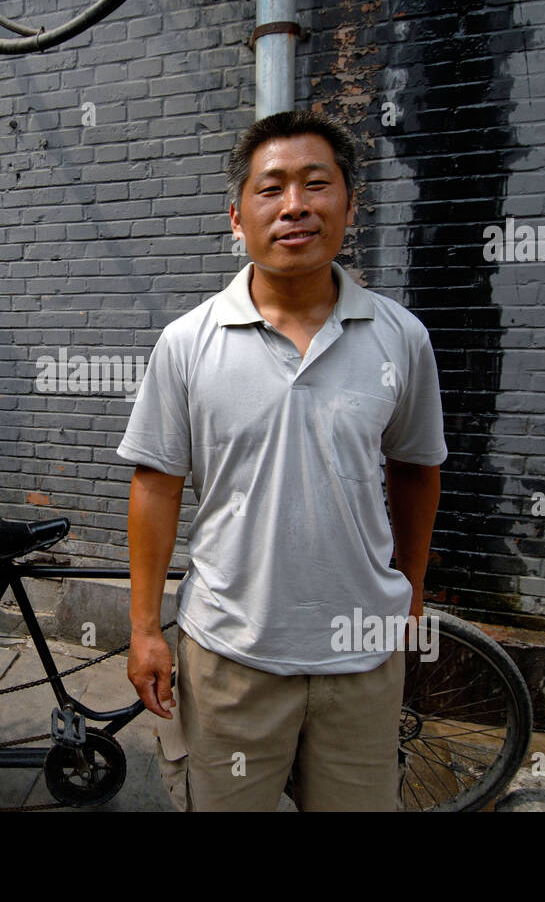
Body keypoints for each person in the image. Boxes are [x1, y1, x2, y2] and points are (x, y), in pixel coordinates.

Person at [117, 110, 446, 811]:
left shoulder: (401, 339)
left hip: (362, 657)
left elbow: (416, 469)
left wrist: (410, 590)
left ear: (349, 207)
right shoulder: (187, 343)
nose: (295, 205)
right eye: (271, 189)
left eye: (315, 184)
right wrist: (145, 628)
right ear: (237, 217)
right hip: (230, 660)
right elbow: (156, 486)